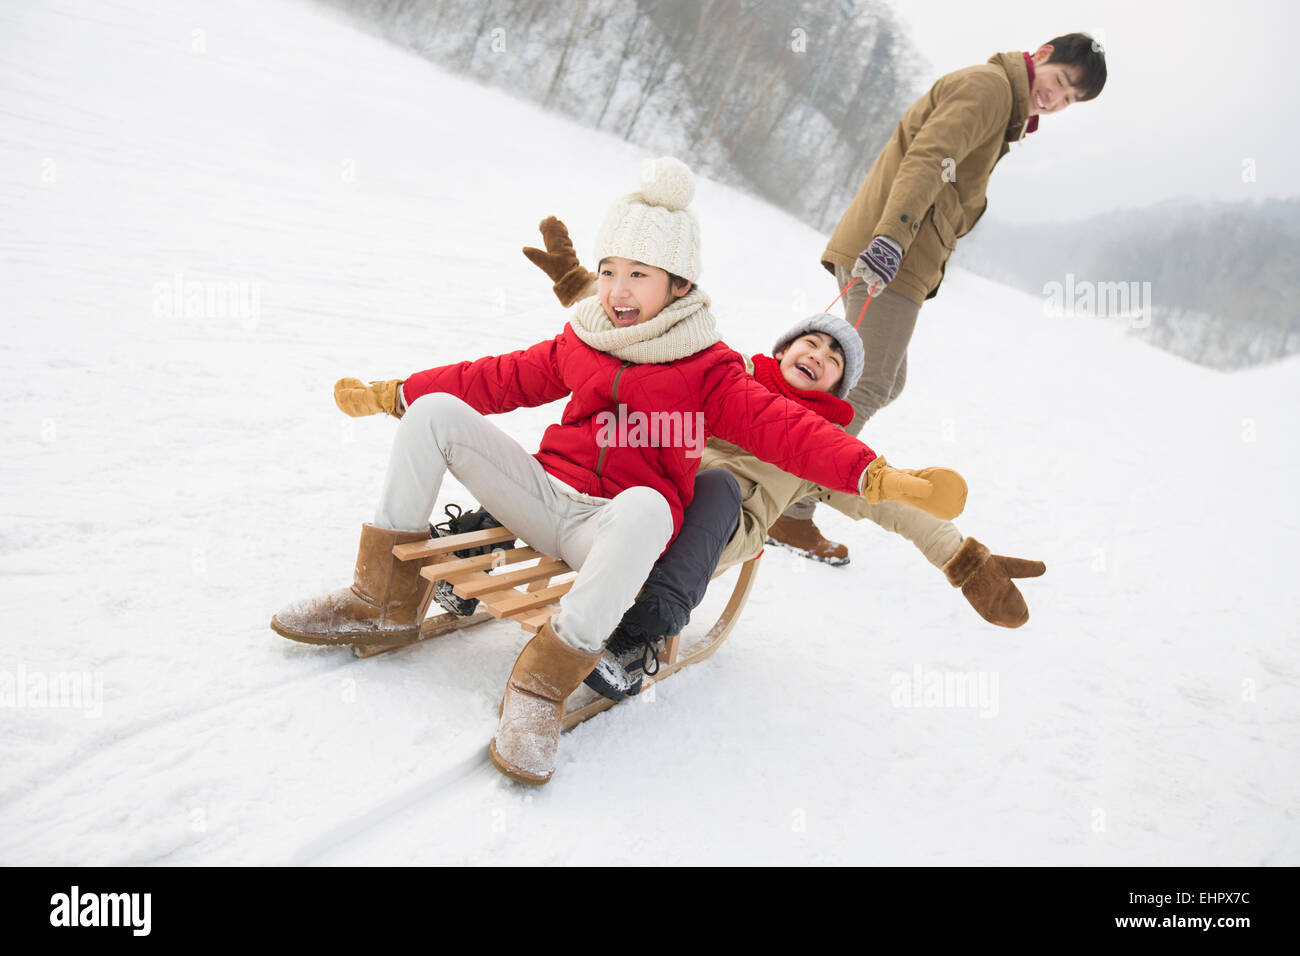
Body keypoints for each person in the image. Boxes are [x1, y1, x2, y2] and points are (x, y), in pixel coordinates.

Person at [270, 157, 966, 786]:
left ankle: (543, 685)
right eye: (609, 271)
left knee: (654, 508)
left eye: (637, 275)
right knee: (440, 414)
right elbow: (499, 377)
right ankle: (382, 600)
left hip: (605, 530)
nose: (616, 290)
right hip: (544, 495)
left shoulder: (713, 368)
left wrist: (875, 477)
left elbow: (790, 430)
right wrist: (397, 393)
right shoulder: (585, 335)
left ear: (679, 283)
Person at [523, 221, 1046, 701]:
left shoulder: (820, 448)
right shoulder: (731, 378)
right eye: (811, 342)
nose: (819, 354)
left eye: (833, 360)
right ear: (782, 351)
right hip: (653, 487)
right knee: (611, 435)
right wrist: (577, 284)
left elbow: (889, 504)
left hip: (713, 526)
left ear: (837, 387)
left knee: (720, 486)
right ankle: (502, 527)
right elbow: (647, 342)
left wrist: (965, 560)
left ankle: (639, 637)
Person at [766, 33, 1108, 563]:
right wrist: (890, 241)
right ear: (1041, 56)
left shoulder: (1004, 106)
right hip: (892, 255)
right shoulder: (990, 89)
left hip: (901, 258)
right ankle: (785, 507)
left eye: (1069, 100)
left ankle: (778, 453)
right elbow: (928, 159)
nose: (1056, 100)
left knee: (883, 380)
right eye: (1060, 82)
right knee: (868, 383)